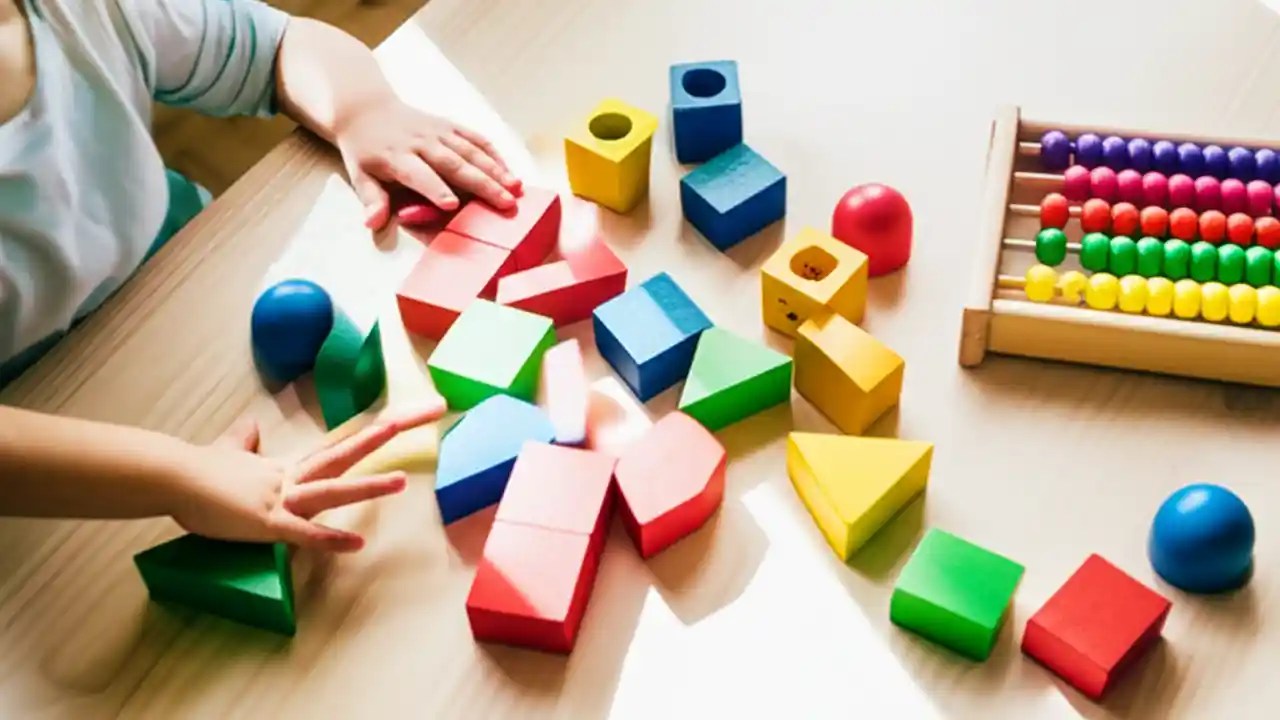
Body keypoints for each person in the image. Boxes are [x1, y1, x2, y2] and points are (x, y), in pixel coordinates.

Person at [0, 0, 516, 549]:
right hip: (58, 447)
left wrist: (360, 110)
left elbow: (278, 47)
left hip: (194, 283)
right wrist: (177, 478)